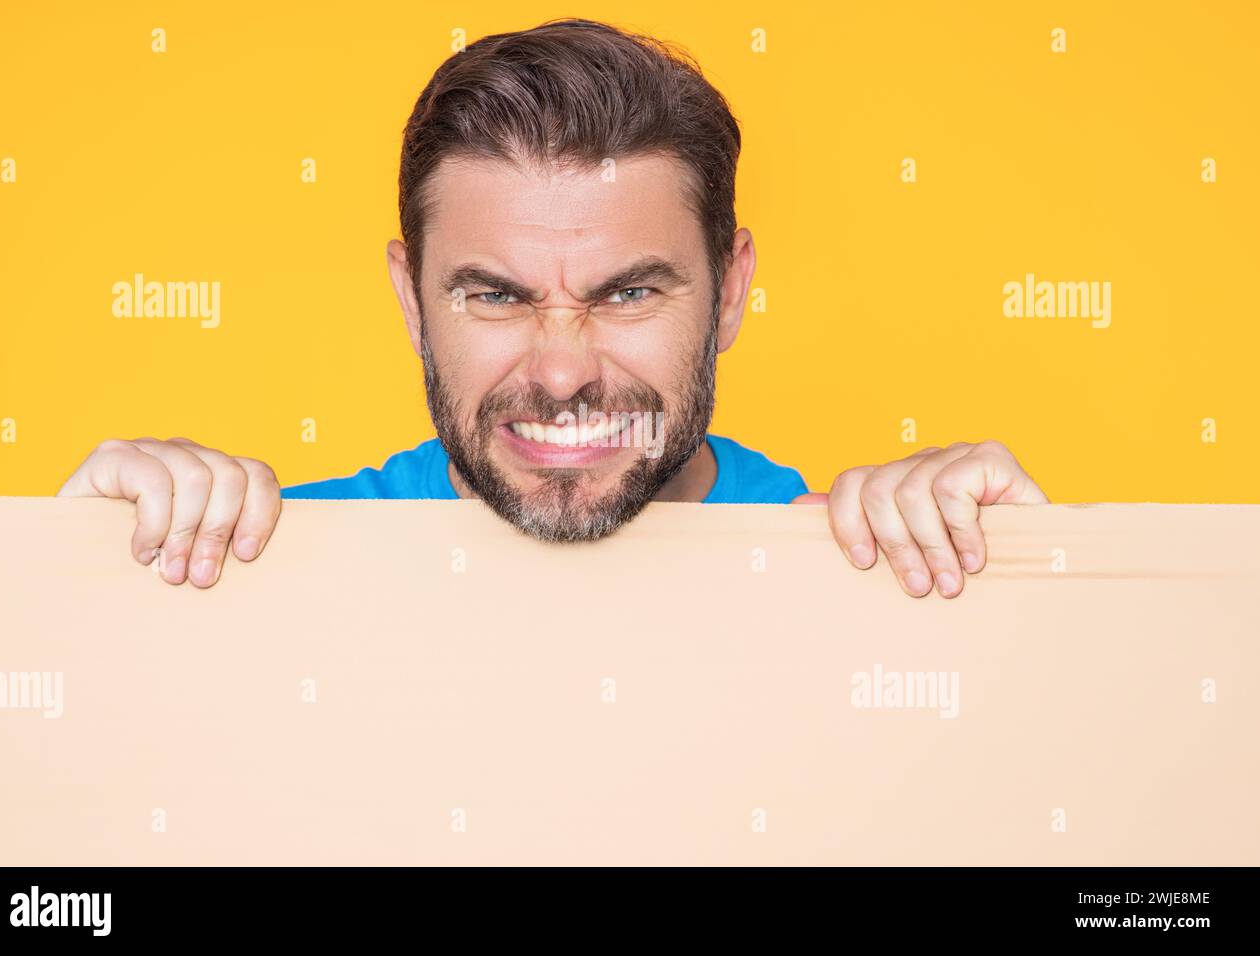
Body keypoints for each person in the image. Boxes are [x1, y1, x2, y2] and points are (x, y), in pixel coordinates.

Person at [57, 19, 1047, 598]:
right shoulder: (254, 568)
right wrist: (59, 581)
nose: (564, 370)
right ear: (411, 299)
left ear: (732, 289)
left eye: (627, 291)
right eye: (495, 293)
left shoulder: (864, 574)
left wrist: (1030, 596)